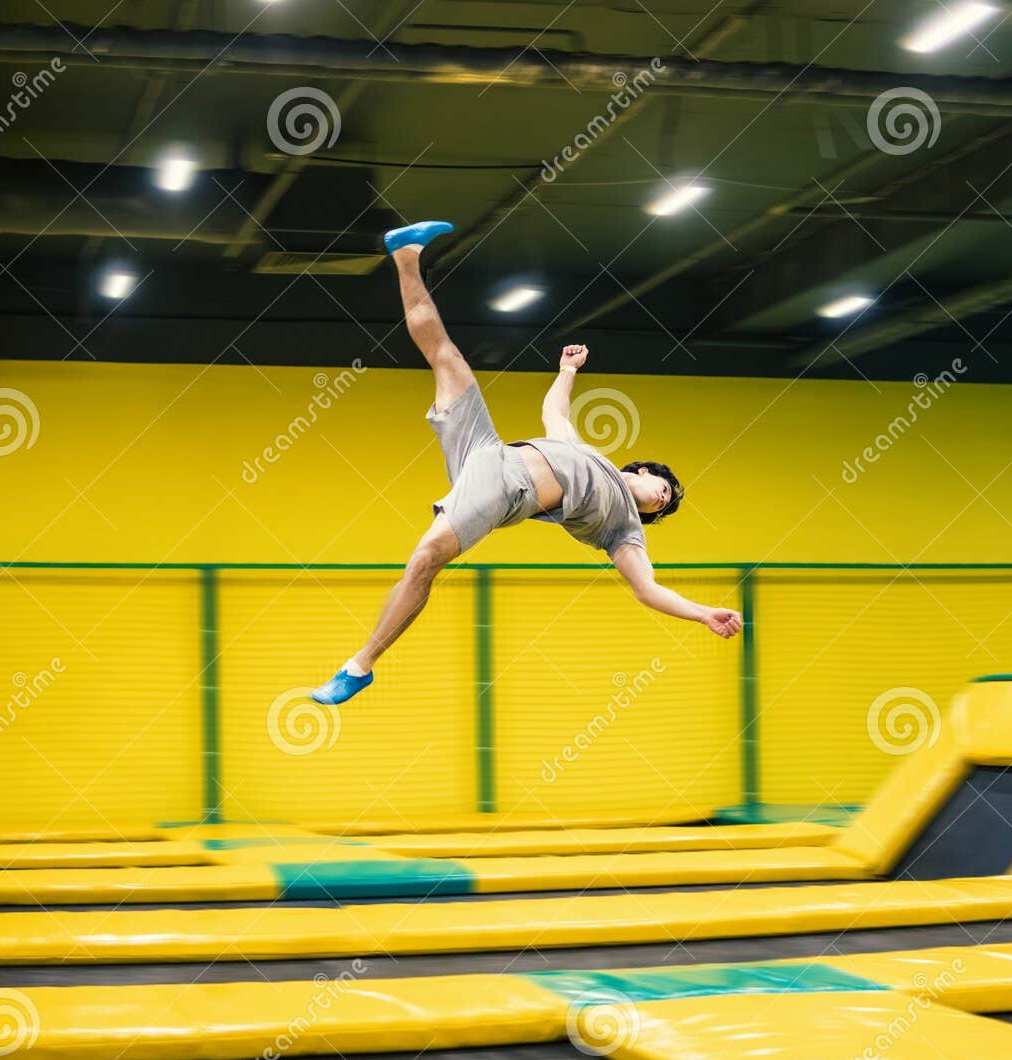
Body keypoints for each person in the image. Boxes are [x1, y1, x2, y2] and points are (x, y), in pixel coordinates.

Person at [311, 219, 742, 705]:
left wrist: (702, 612)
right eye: (663, 489)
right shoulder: (585, 454)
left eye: (661, 509)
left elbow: (648, 589)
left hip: (506, 491)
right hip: (487, 452)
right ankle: (406, 255)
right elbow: (554, 413)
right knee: (446, 356)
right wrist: (566, 371)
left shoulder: (623, 528)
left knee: (426, 558)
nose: (661, 501)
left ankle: (360, 665)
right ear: (643, 472)